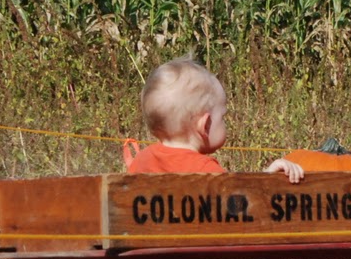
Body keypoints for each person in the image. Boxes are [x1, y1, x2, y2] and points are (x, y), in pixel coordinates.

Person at [126, 57, 305, 180]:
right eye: (222, 117)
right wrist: (266, 179)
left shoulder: (141, 161)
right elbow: (242, 207)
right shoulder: (206, 172)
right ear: (204, 125)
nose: (225, 122)